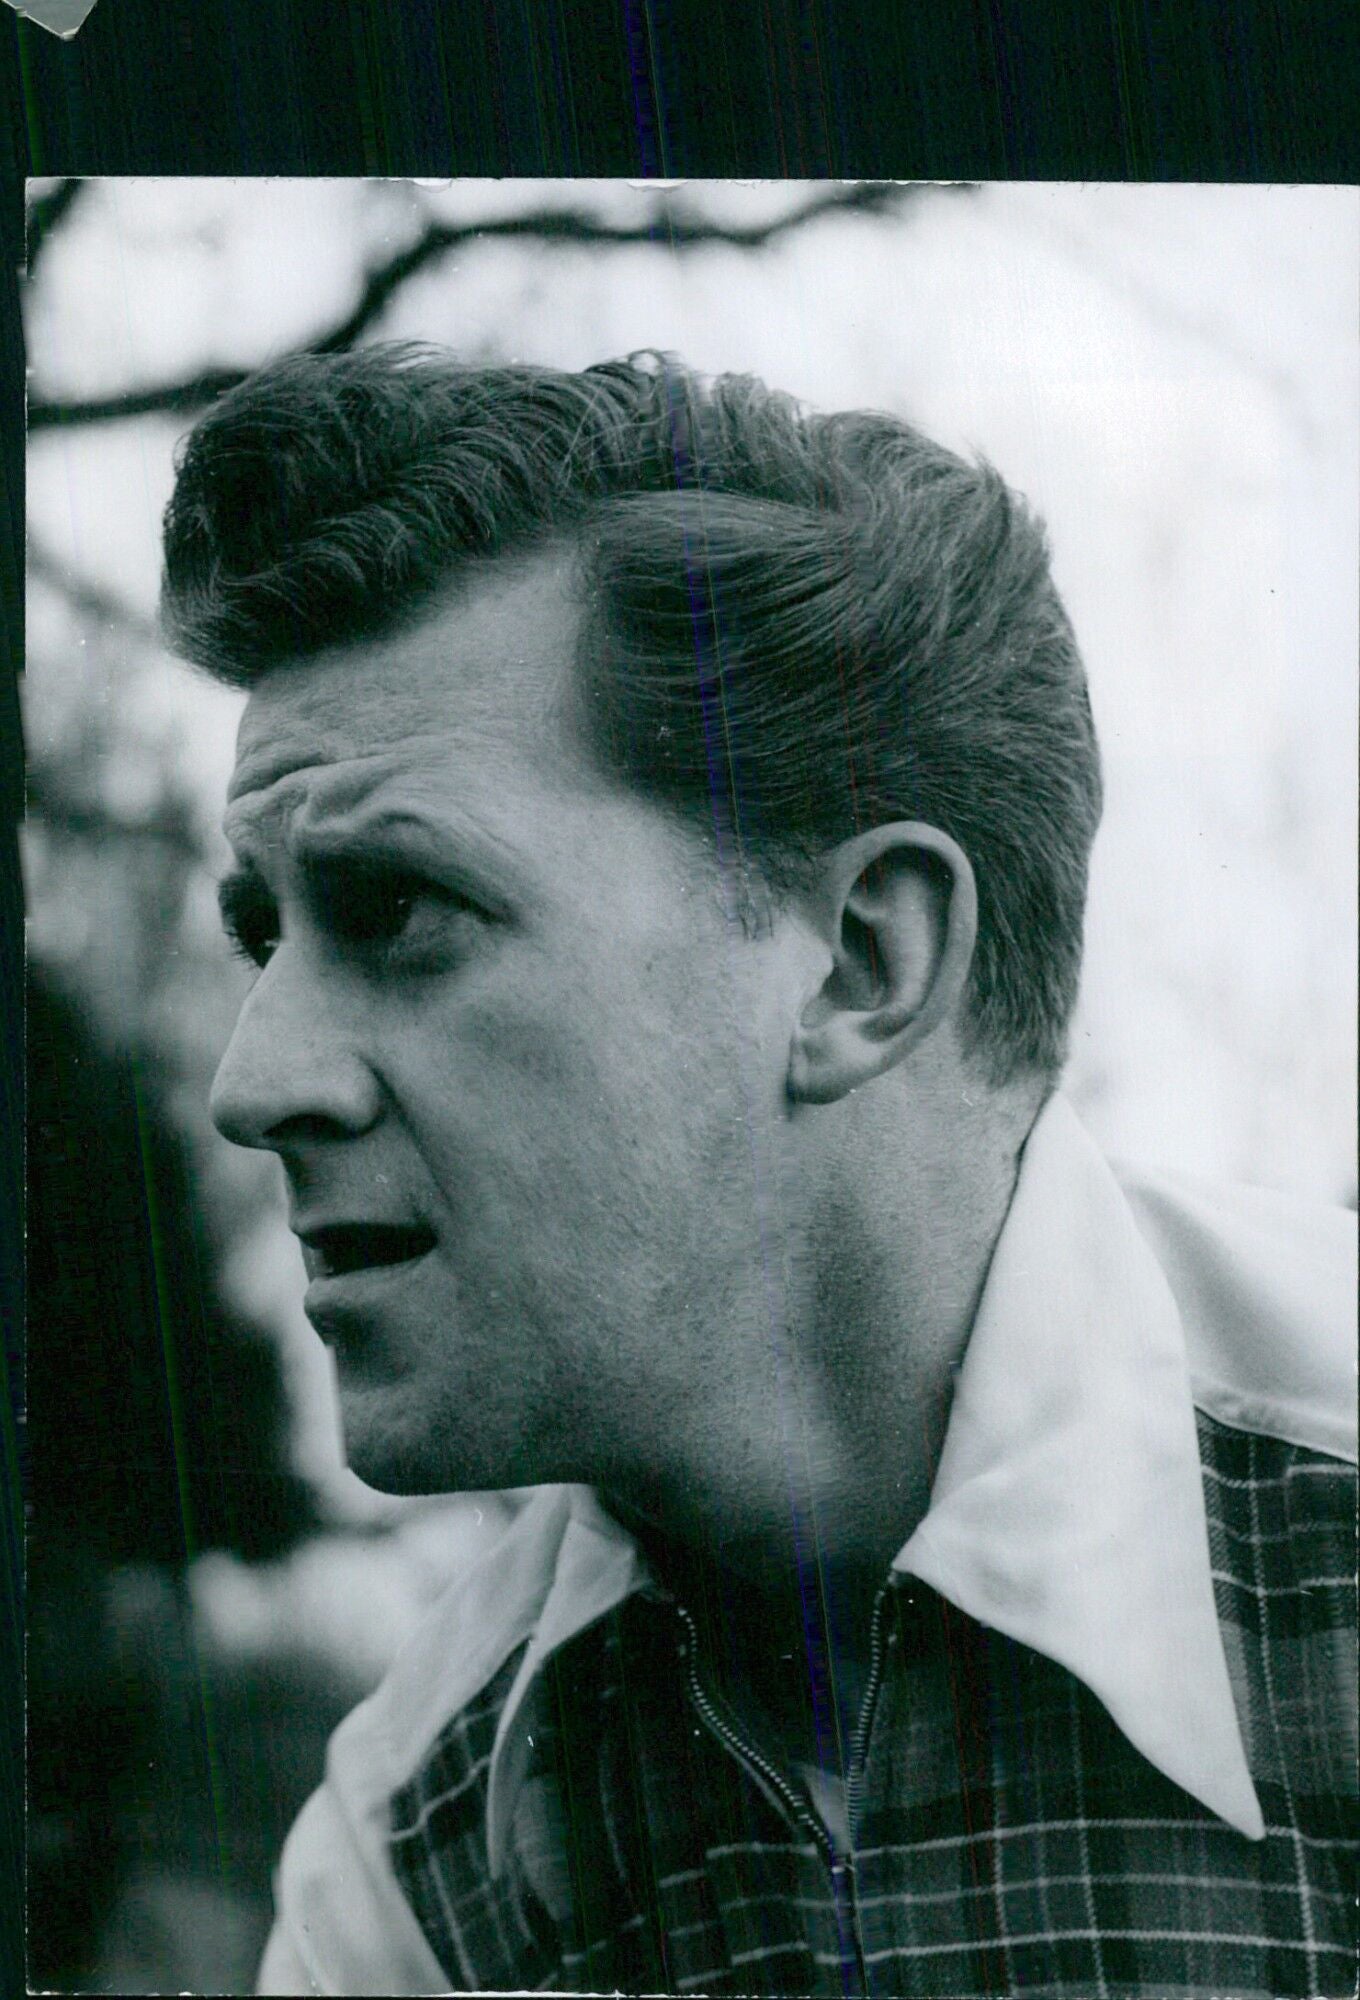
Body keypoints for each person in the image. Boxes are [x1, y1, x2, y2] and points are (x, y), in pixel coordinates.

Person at [161, 344, 1357, 1997]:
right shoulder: (418, 1865)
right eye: (262, 937)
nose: (255, 1080)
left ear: (862, 962)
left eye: (400, 912)